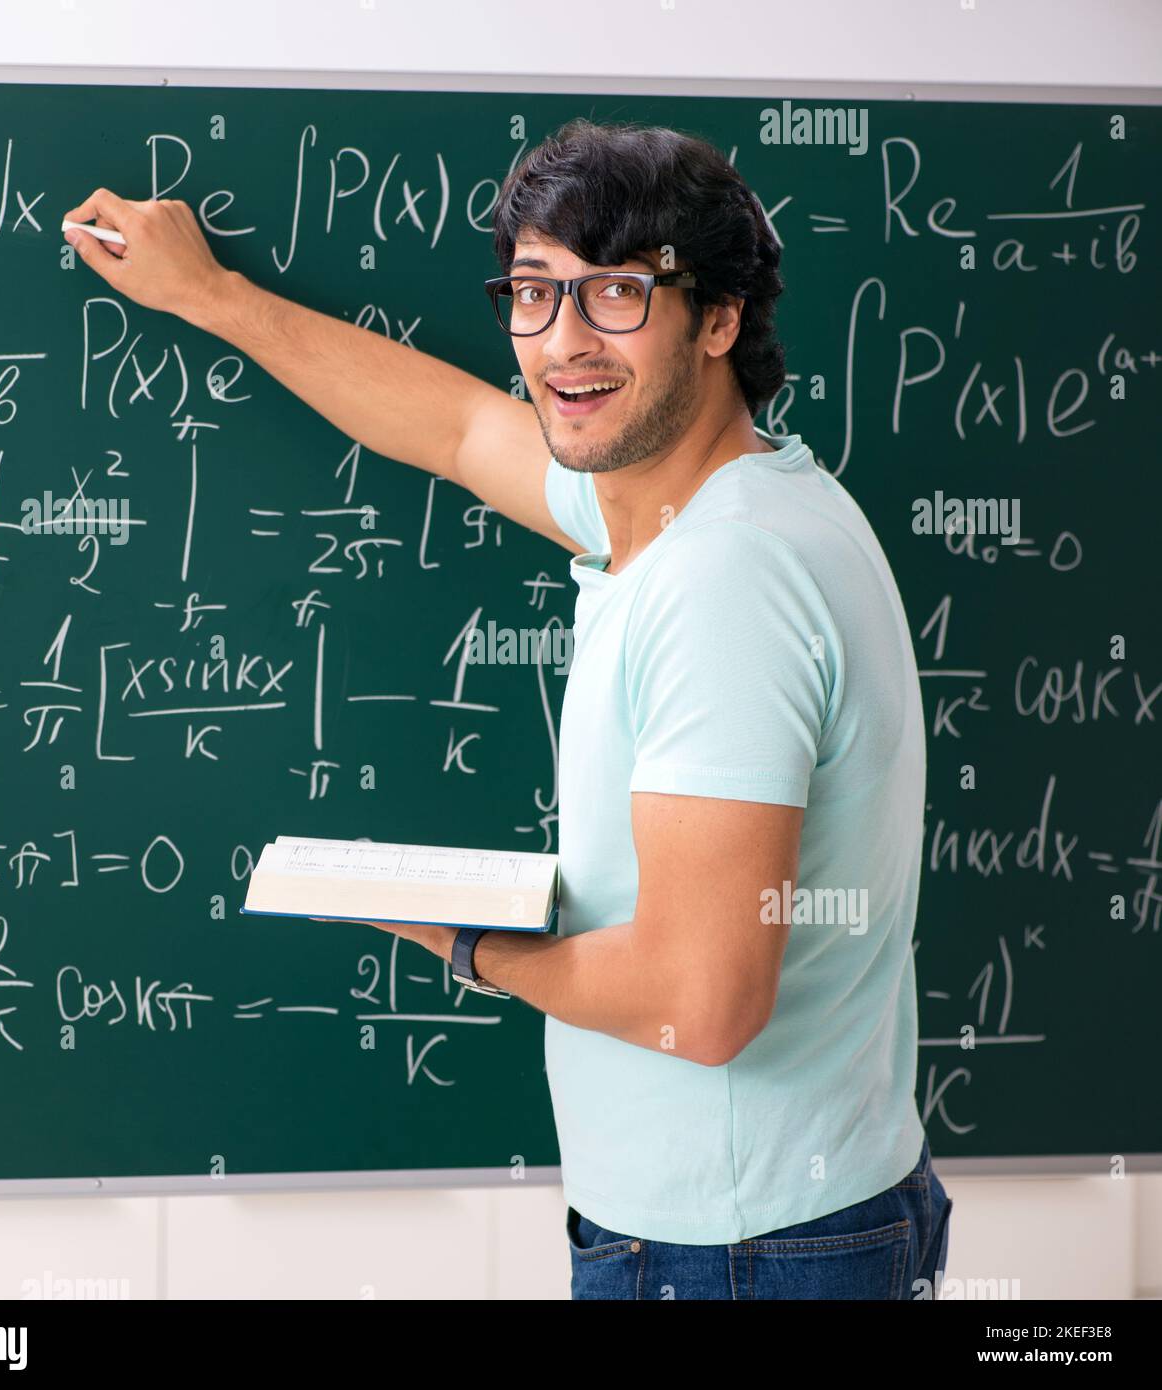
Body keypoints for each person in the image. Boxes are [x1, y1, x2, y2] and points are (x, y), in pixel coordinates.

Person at [64, 116, 951, 1300]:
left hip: (737, 1248)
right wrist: (210, 295)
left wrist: (463, 942)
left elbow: (701, 1002)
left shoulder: (722, 578)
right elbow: (455, 426)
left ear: (718, 320)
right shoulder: (691, 501)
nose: (562, 343)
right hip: (782, 1216)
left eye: (617, 293)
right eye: (534, 293)